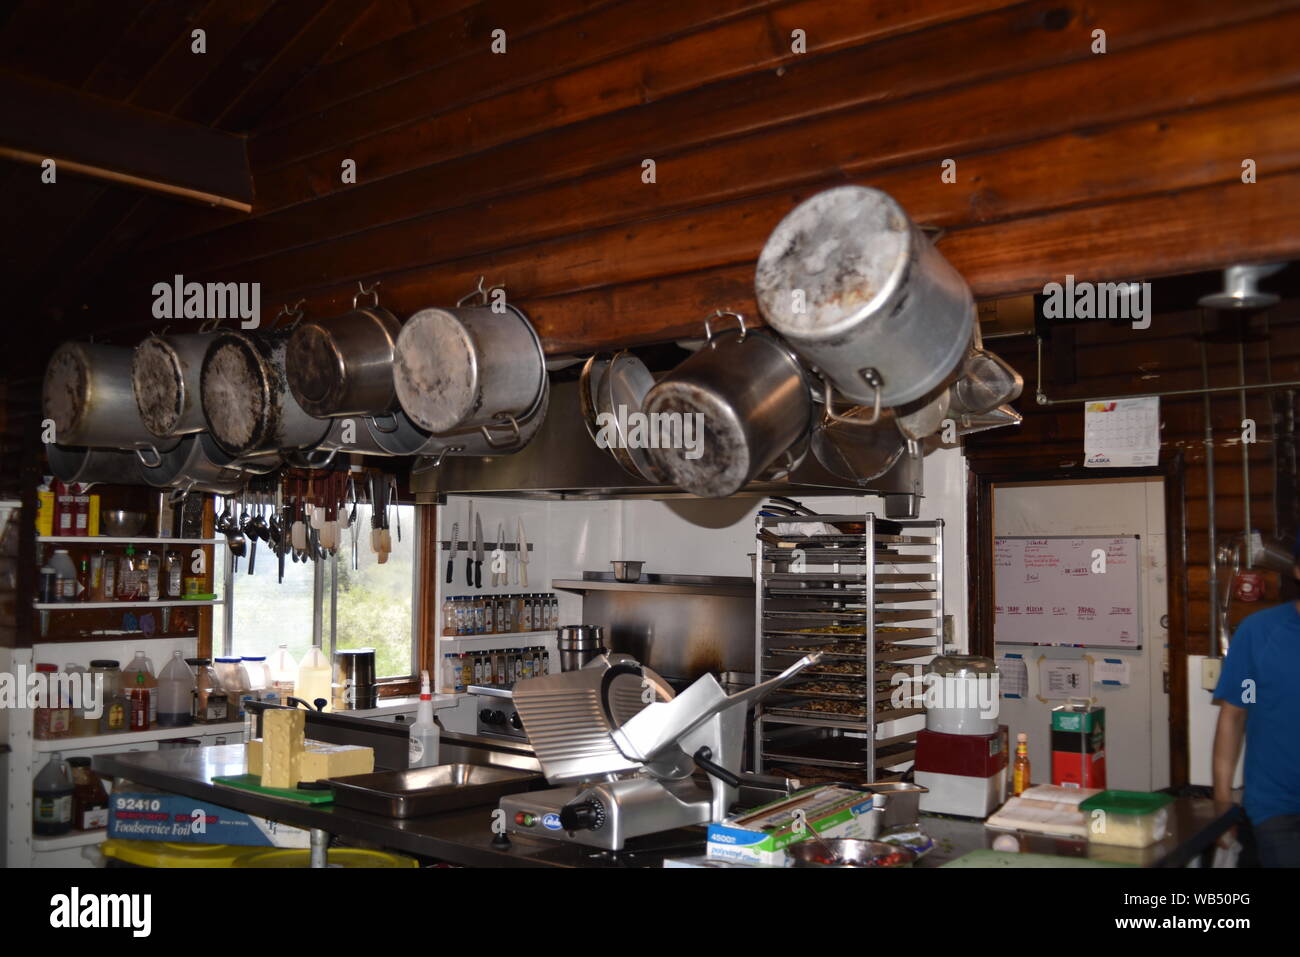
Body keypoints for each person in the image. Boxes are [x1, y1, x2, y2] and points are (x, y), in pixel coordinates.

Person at [1212, 560, 1300, 867]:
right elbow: (1234, 715)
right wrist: (1223, 803)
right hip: (1279, 808)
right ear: (1298, 570)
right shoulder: (1261, 633)